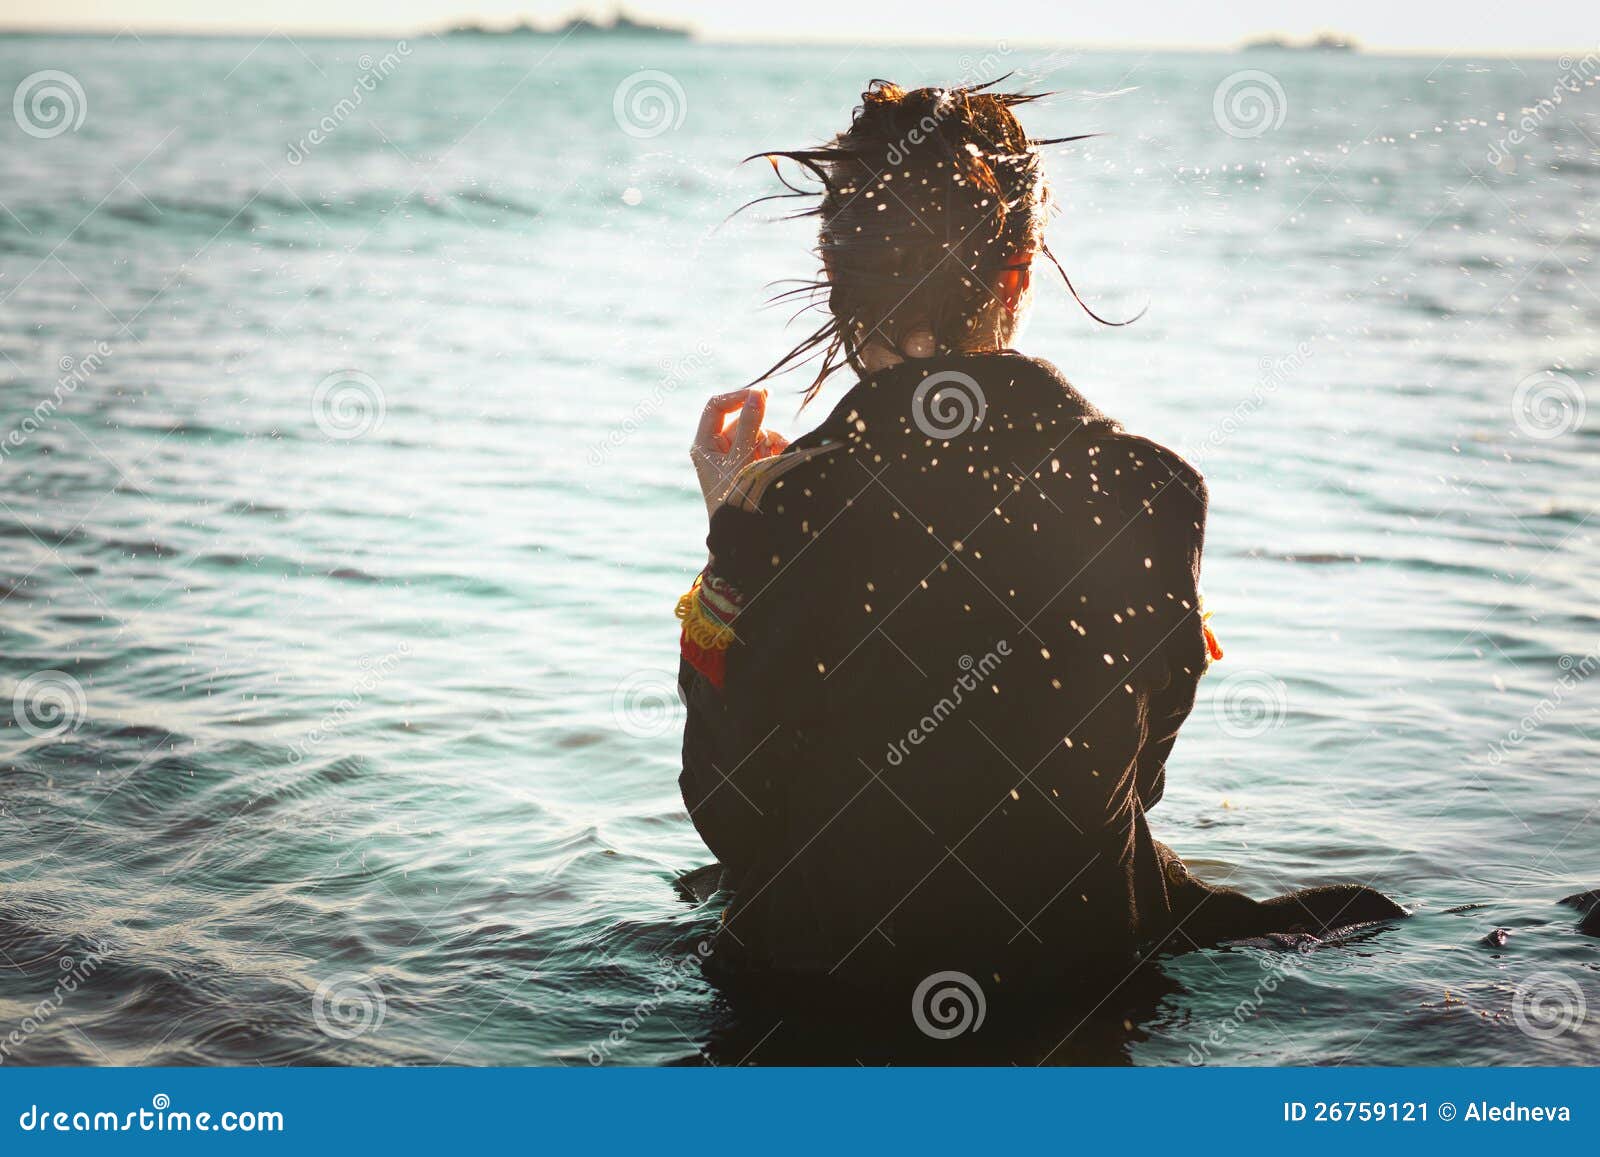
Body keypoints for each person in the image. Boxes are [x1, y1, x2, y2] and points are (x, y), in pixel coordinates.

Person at [675, 80, 1403, 988]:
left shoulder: (788, 508)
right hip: (1081, 971)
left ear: (834, 274)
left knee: (702, 891)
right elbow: (1135, 782)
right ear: (1018, 271)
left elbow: (732, 813)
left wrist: (732, 531)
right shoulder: (1149, 489)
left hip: (824, 988)